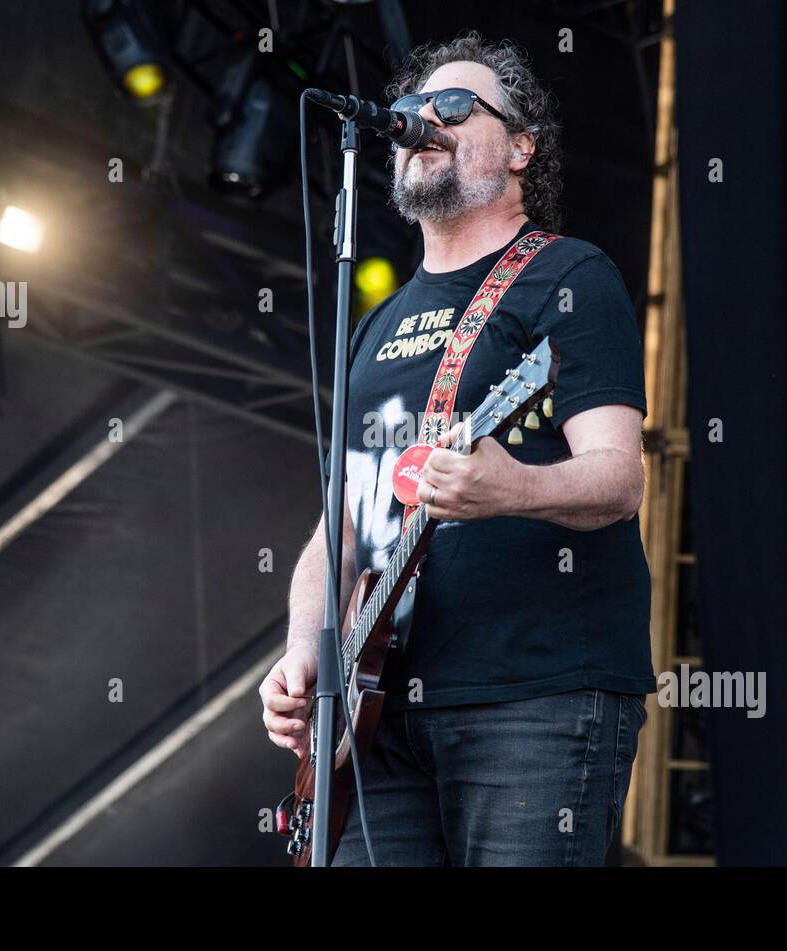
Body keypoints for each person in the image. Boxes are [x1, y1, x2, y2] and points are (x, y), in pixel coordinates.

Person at [259, 31, 656, 866]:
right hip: (374, 714)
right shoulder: (376, 322)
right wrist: (306, 651)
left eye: (452, 106)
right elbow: (343, 523)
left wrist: (509, 488)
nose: (419, 122)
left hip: (531, 696)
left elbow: (620, 480)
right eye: (406, 110)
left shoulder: (568, 277)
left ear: (521, 145)